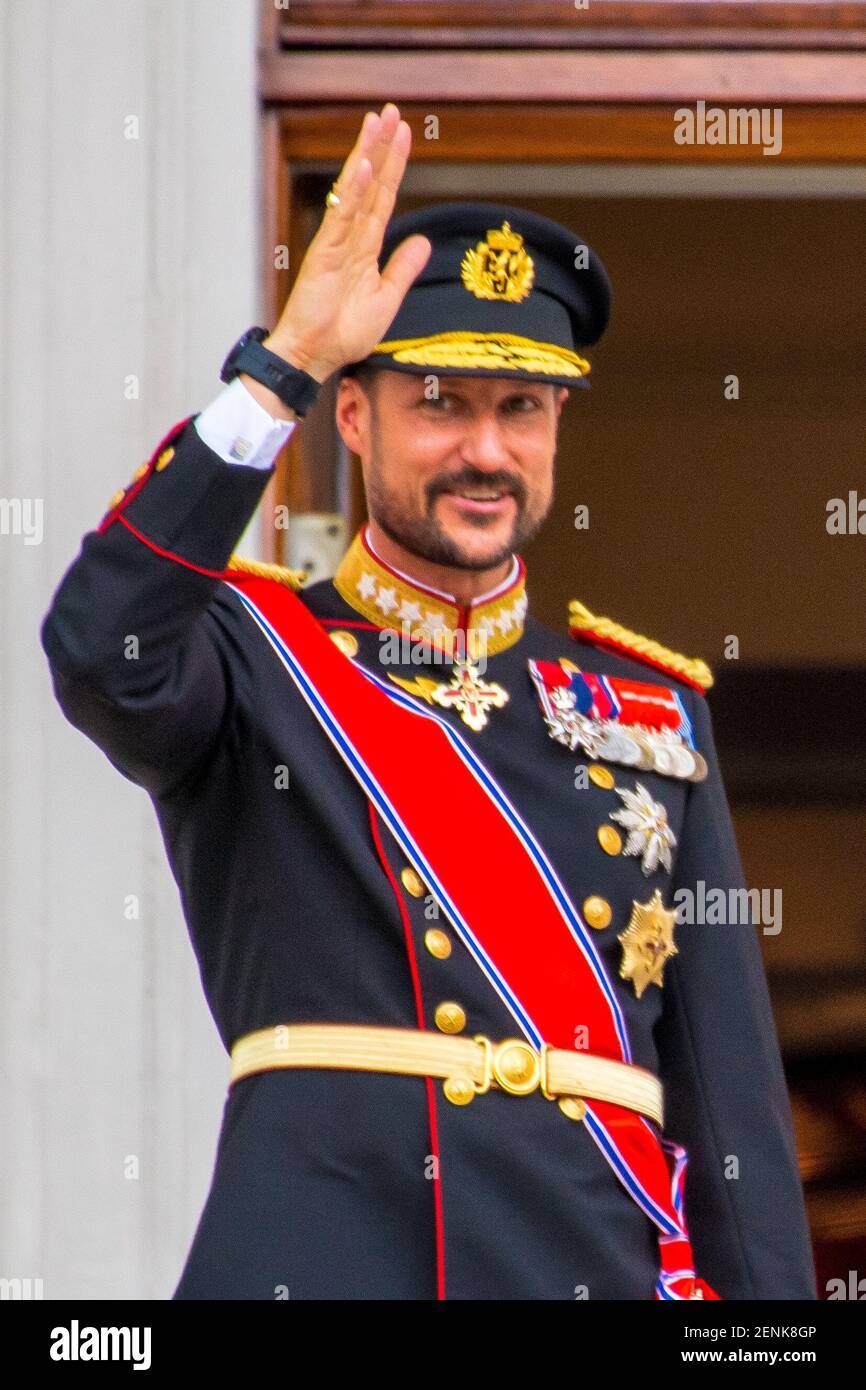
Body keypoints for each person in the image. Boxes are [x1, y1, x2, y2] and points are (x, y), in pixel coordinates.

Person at [40, 103, 816, 1300]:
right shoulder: (251, 652)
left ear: (557, 424)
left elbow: (727, 1110)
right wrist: (276, 370)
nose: (484, 452)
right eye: (439, 403)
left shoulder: (652, 706)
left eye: (520, 409)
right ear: (351, 418)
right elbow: (99, 646)